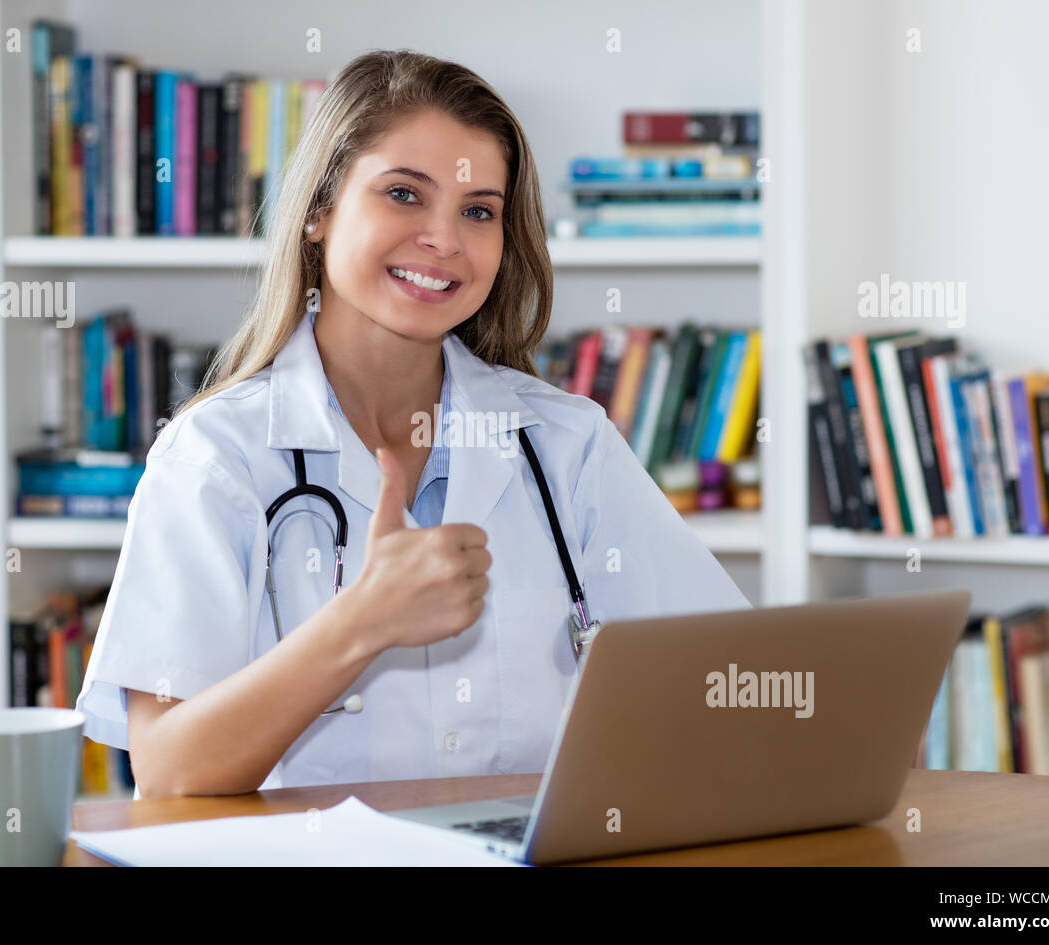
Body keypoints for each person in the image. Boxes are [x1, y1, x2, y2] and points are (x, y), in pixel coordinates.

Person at [75, 49, 751, 798]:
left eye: (479, 211)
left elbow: (729, 683)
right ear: (318, 212)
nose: (445, 240)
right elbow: (169, 772)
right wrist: (359, 624)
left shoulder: (567, 445)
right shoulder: (215, 457)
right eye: (403, 194)